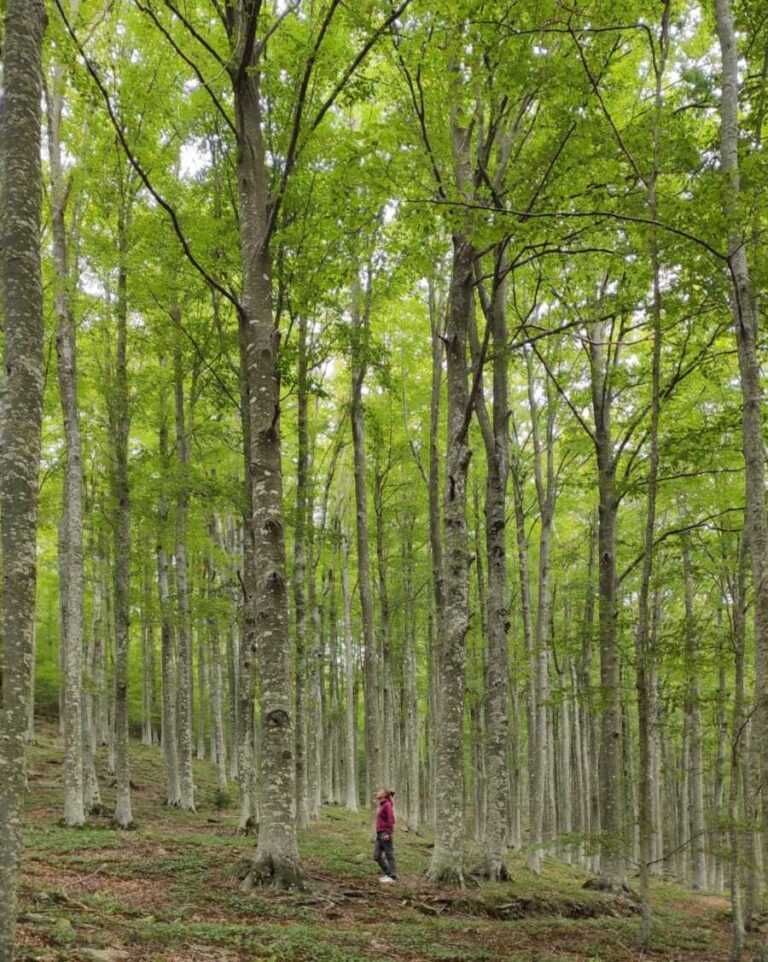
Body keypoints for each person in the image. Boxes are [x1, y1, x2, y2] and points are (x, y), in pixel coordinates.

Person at [373, 788, 397, 883]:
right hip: (379, 833)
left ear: (384, 795)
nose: (377, 792)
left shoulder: (387, 805)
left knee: (389, 854)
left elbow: (391, 820)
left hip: (385, 833)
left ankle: (392, 876)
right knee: (376, 855)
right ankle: (388, 873)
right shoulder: (382, 805)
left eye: (379, 791)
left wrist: (388, 833)